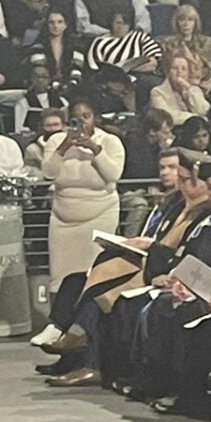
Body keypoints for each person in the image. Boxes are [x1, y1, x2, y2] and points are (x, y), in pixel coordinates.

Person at [40, 96, 126, 299]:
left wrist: (95, 151)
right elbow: (49, 173)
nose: (82, 122)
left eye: (86, 116)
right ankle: (58, 324)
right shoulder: (55, 140)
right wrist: (63, 147)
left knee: (93, 273)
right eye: (76, 118)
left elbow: (113, 175)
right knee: (60, 275)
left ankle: (88, 325)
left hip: (100, 213)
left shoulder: (110, 141)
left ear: (95, 118)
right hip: (63, 219)